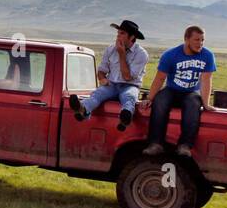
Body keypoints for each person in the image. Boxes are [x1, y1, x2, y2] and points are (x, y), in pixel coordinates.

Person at [142, 25, 216, 158]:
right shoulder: (170, 55)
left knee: (193, 104)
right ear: (186, 39)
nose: (200, 43)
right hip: (172, 89)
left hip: (191, 92)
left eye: (202, 40)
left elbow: (206, 80)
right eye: (196, 40)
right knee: (160, 101)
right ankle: (155, 144)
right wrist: (150, 98)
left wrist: (206, 103)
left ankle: (185, 146)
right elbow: (159, 79)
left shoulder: (207, 56)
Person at [70, 19, 148, 131]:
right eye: (118, 33)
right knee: (98, 94)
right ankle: (83, 109)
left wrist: (121, 54)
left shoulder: (141, 54)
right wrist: (102, 79)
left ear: (132, 37)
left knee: (129, 97)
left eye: (122, 33)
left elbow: (127, 77)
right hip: (111, 84)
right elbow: (102, 70)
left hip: (130, 85)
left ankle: (125, 118)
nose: (118, 36)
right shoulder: (110, 49)